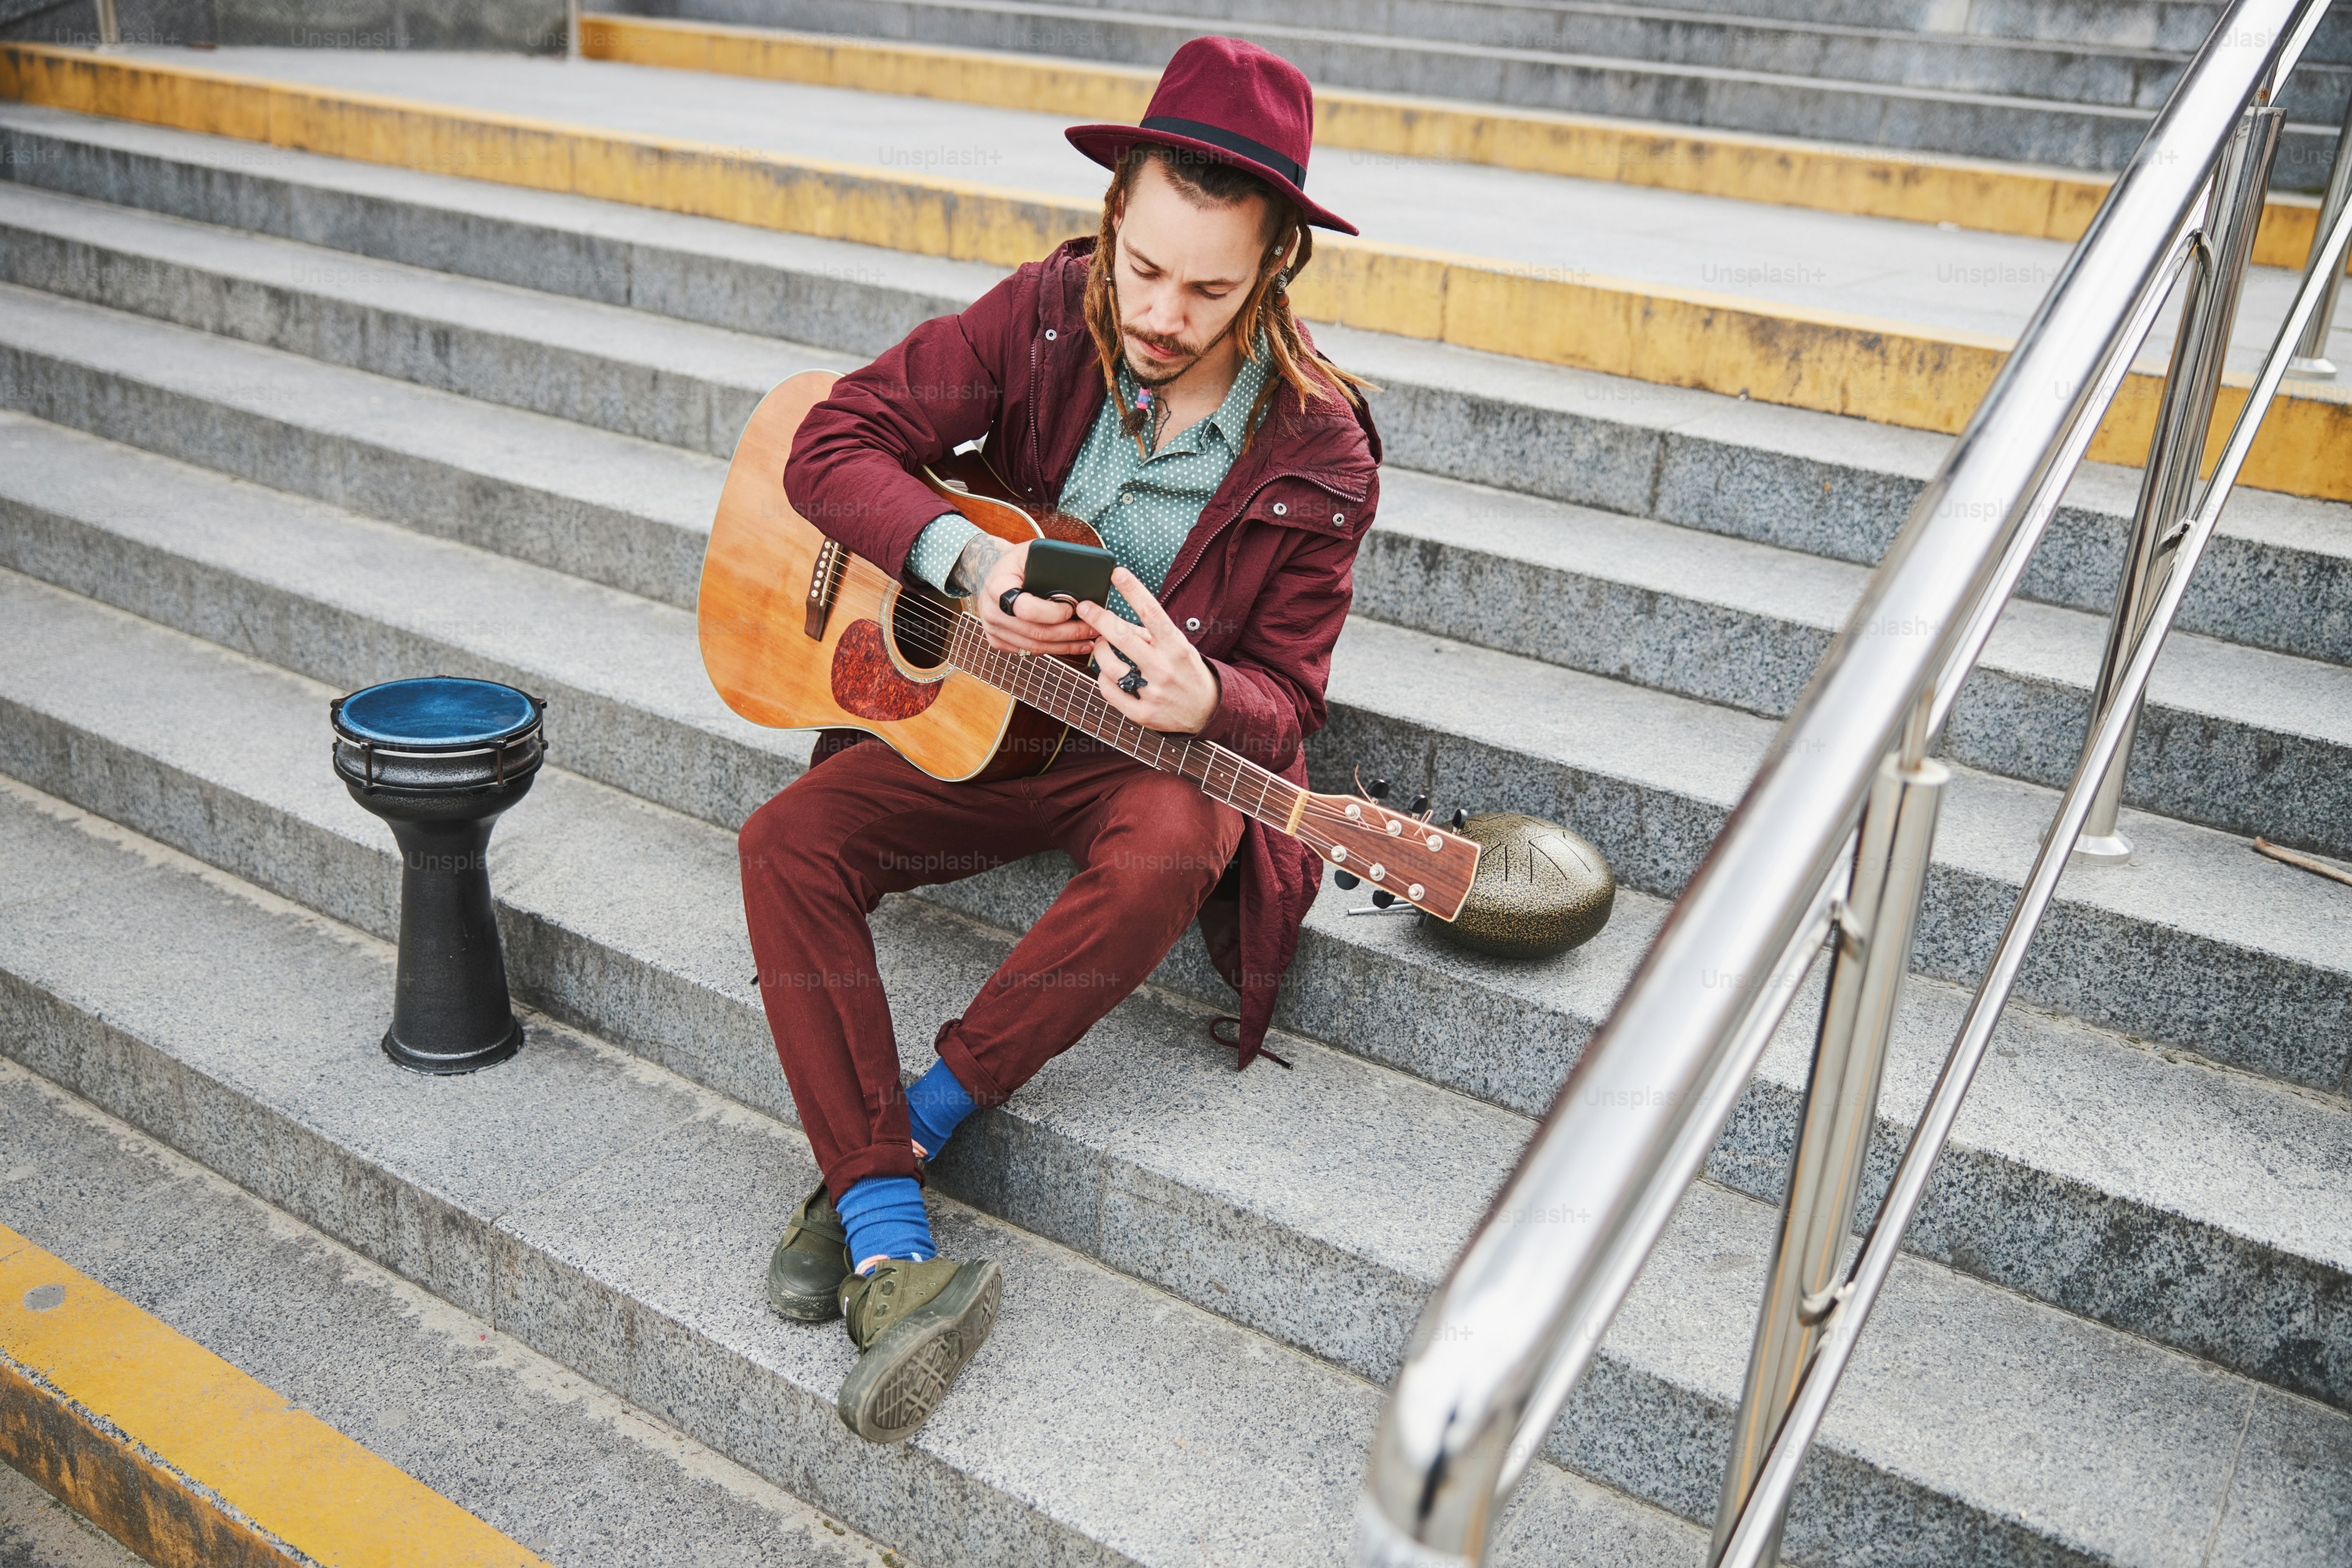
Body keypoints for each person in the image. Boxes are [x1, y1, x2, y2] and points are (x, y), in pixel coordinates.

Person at [736, 34, 1381, 1444]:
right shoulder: (1045, 316)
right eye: (1142, 267)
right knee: (784, 844)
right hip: (977, 726)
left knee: (1175, 845)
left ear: (1276, 267)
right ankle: (888, 1228)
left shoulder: (1319, 452)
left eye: (1208, 289)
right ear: (1112, 219)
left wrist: (1214, 702)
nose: (1158, 313)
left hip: (1135, 758)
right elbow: (830, 442)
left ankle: (903, 1144)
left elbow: (1290, 695)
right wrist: (966, 563)